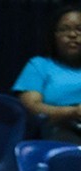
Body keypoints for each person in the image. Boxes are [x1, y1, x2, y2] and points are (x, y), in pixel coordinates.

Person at [13, 3, 81, 144]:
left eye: (79, 29)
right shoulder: (39, 65)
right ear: (54, 36)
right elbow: (30, 108)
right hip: (59, 131)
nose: (73, 35)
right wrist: (72, 112)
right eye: (64, 29)